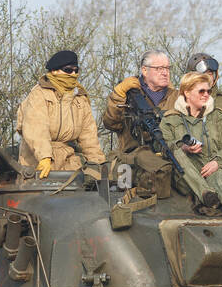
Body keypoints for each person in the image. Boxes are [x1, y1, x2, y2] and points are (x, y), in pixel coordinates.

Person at [158, 71, 222, 217]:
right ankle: (206, 194)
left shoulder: (217, 117)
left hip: (210, 169)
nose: (206, 95)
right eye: (201, 91)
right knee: (175, 152)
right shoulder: (170, 120)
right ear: (187, 93)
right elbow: (161, 146)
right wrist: (183, 147)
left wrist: (217, 162)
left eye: (208, 91)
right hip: (184, 176)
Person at [16, 50, 106, 184]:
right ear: (54, 71)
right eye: (68, 70)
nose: (73, 75)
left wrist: (98, 165)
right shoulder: (39, 94)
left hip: (69, 163)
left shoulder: (80, 99)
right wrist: (44, 157)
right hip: (36, 162)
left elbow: (89, 137)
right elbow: (36, 128)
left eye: (76, 71)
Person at [102, 50, 180, 199]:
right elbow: (111, 123)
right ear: (145, 70)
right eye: (159, 68)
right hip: (133, 163)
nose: (165, 73)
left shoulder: (177, 97)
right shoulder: (128, 94)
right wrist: (118, 96)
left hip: (168, 164)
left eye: (167, 68)